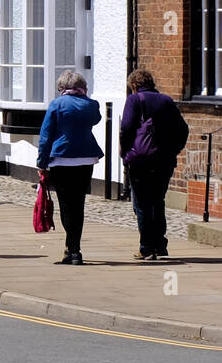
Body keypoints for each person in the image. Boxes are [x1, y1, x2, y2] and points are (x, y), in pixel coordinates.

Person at [120, 69, 190, 260]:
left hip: (141, 161)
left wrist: (126, 152)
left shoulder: (135, 100)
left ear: (134, 85)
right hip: (164, 162)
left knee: (141, 204)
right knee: (157, 201)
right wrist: (173, 150)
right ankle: (160, 245)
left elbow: (126, 127)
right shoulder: (166, 100)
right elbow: (183, 129)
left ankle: (146, 248)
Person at [36, 71, 104, 265]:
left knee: (66, 205)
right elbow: (96, 119)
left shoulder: (57, 104)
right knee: (78, 204)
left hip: (62, 159)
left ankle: (72, 250)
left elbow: (46, 136)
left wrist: (42, 163)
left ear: (61, 88)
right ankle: (73, 248)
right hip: (86, 158)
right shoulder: (91, 105)